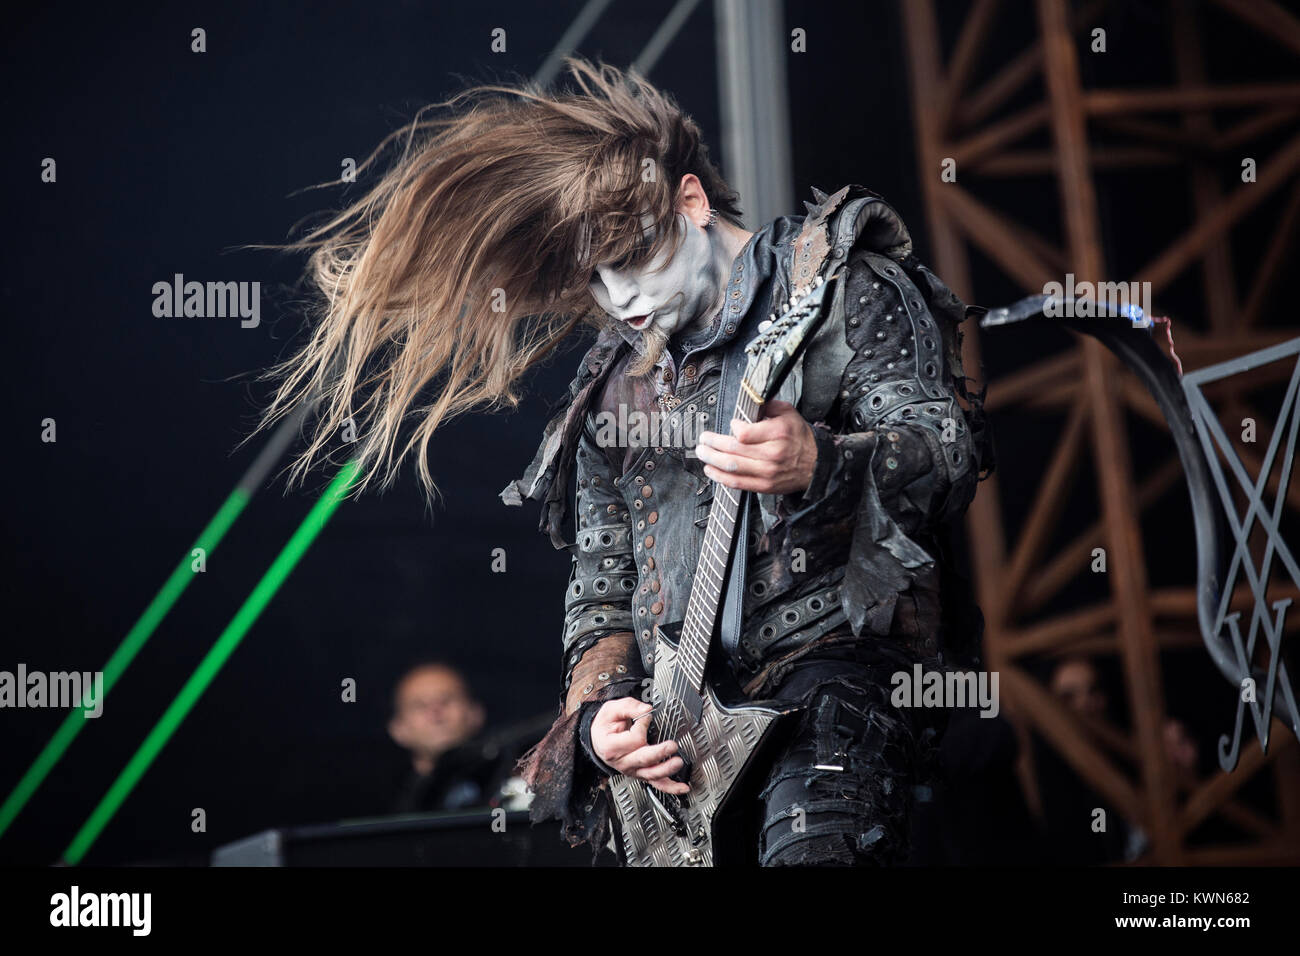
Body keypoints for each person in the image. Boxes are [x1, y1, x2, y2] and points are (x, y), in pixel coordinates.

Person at [258, 58, 993, 865]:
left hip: (835, 676)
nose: (621, 299)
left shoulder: (841, 286)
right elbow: (603, 586)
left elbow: (950, 449)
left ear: (690, 200)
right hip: (684, 745)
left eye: (634, 260)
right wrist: (603, 713)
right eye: (597, 280)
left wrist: (820, 461)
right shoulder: (612, 384)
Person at [386, 662, 498, 813]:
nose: (435, 713)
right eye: (420, 705)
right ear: (397, 729)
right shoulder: (385, 807)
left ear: (475, 714)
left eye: (446, 700)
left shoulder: (507, 786)